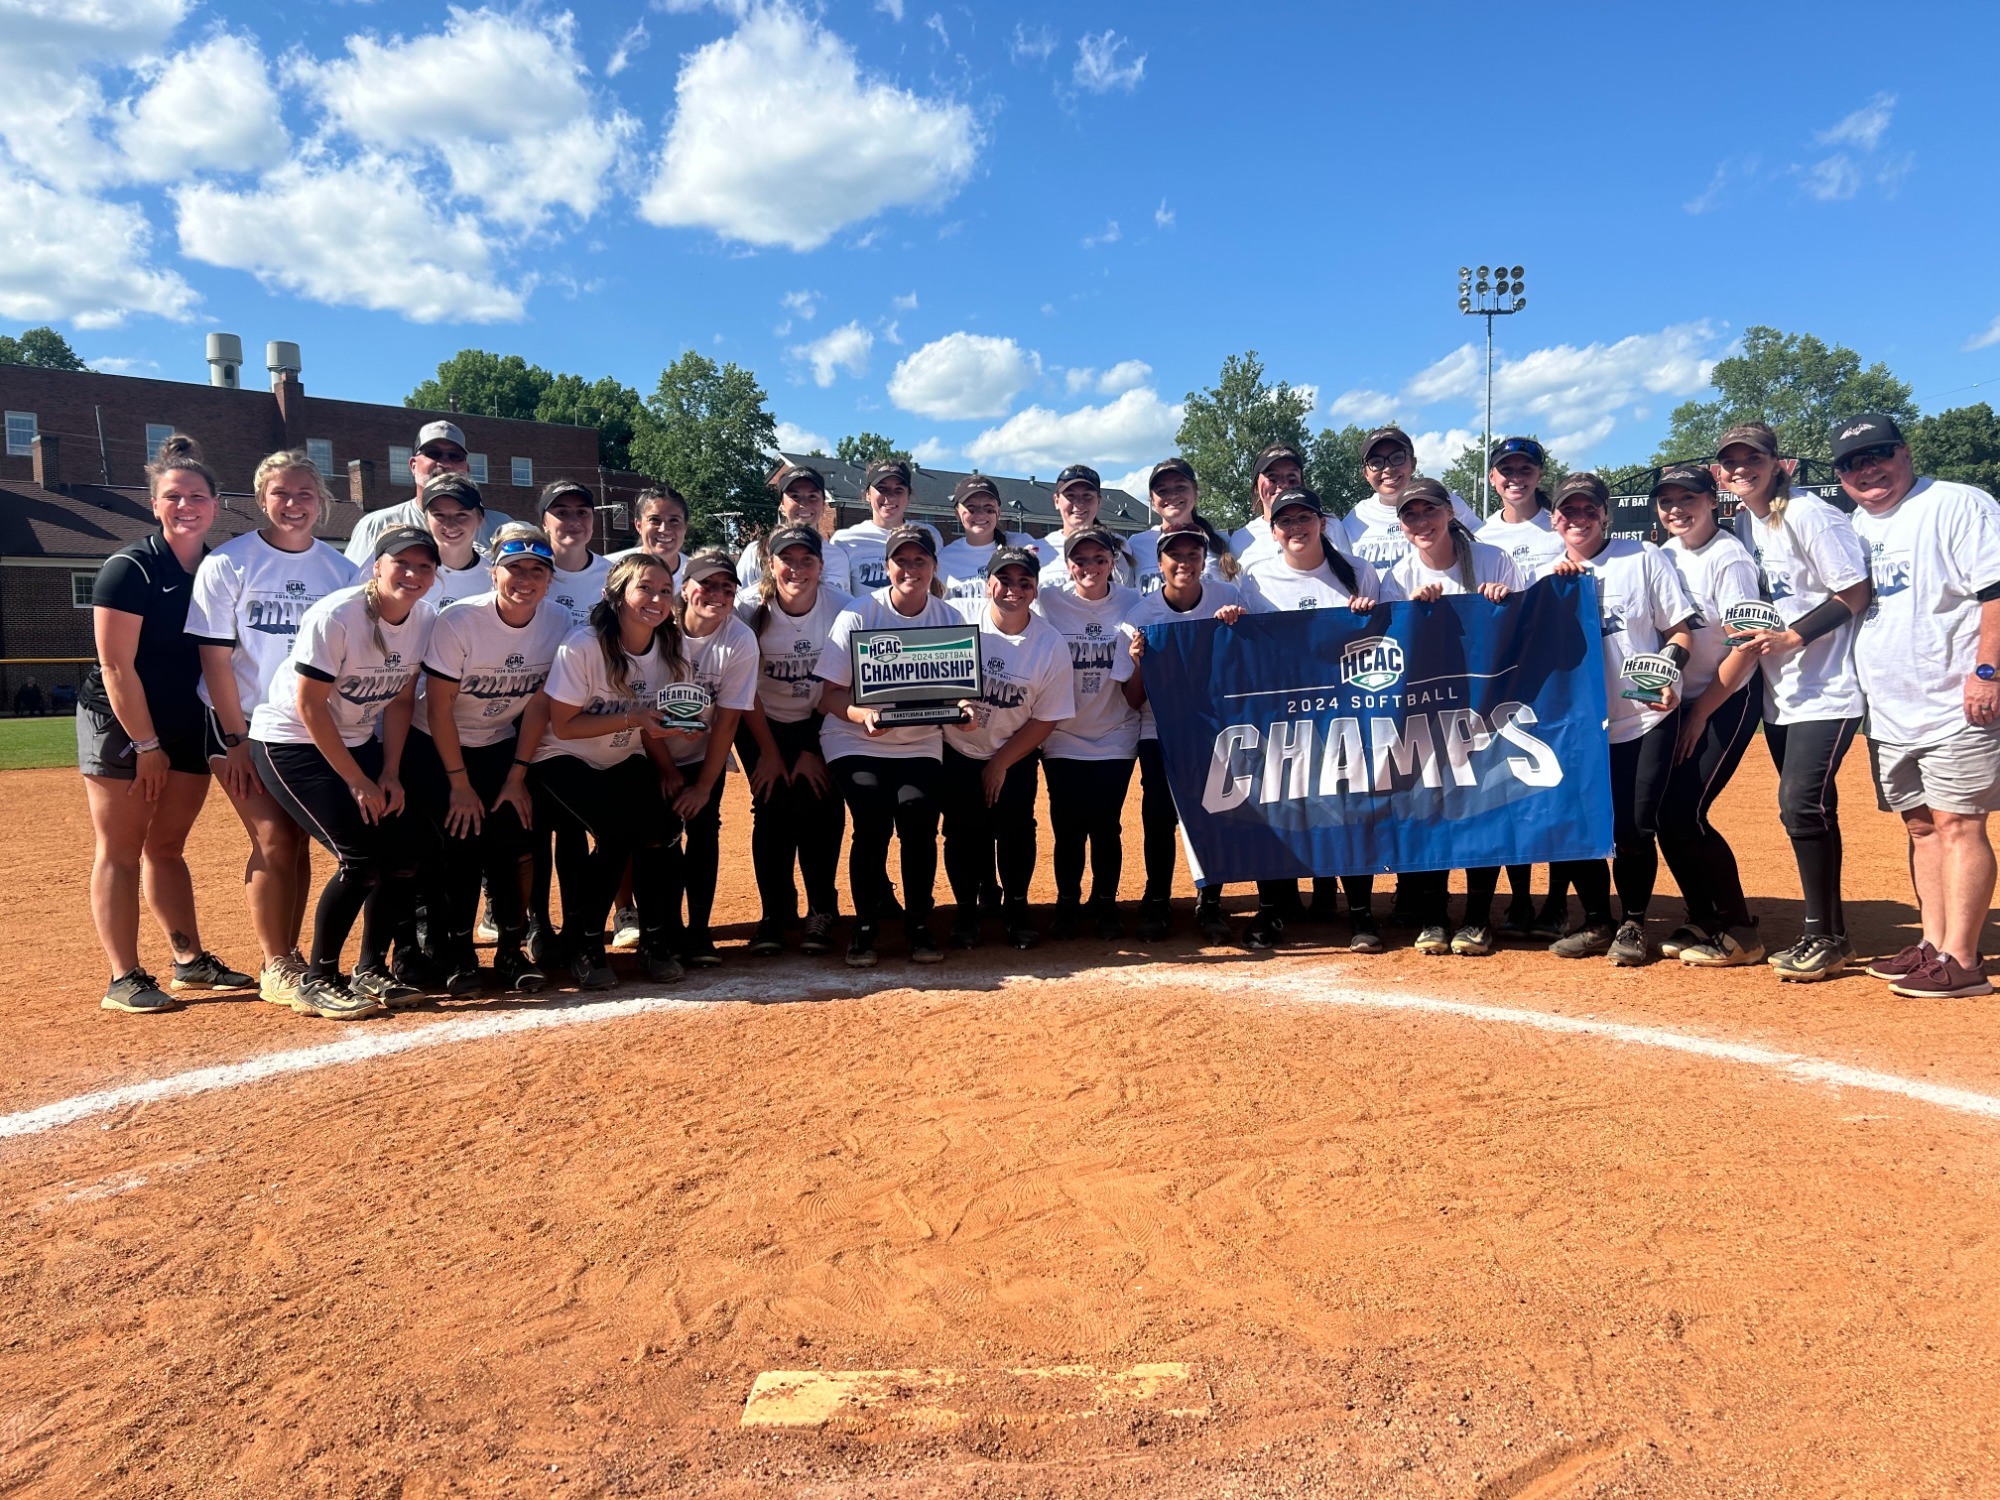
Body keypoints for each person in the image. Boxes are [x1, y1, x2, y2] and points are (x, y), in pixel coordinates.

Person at [79, 434, 254, 1014]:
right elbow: (114, 665)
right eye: (174, 497)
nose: (186, 506)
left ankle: (189, 961)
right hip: (124, 718)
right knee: (121, 848)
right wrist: (145, 743)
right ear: (154, 504)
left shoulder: (219, 568)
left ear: (216, 503)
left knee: (168, 846)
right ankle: (123, 976)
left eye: (197, 496)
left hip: (187, 718)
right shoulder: (130, 568)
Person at [1833, 411, 2000, 999]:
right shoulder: (1853, 526)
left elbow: (1996, 591)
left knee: (1960, 823)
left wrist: (1987, 672)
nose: (1867, 469)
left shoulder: (1957, 504)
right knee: (1922, 825)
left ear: (1905, 452)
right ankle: (1933, 945)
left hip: (1957, 700)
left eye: (1877, 454)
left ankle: (1963, 957)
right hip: (1890, 706)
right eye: (1853, 462)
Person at [187, 448, 356, 1010]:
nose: (293, 504)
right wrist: (234, 741)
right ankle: (275, 962)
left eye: (305, 493)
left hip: (304, 726)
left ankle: (290, 954)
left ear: (322, 502)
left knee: (301, 841)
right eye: (281, 494)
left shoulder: (339, 571)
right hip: (240, 724)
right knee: (274, 838)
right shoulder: (230, 562)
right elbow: (215, 659)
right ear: (262, 500)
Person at [250, 527, 440, 1019]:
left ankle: (371, 967)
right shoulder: (337, 615)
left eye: (424, 566)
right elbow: (309, 706)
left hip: (358, 742)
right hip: (291, 742)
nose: (413, 574)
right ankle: (319, 977)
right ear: (377, 566)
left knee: (404, 849)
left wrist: (391, 773)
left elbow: (400, 701)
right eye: (402, 563)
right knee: (359, 857)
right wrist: (357, 780)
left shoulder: (422, 618)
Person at [1721, 420, 1871, 981]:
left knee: (1800, 805)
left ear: (1777, 463)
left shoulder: (1809, 513)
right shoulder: (1746, 521)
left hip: (1827, 689)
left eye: (1752, 458)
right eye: (1732, 462)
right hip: (1782, 693)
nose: (1742, 468)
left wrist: (1794, 637)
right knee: (1812, 810)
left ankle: (1821, 934)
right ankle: (1832, 933)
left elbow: (1855, 591)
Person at [1538, 473, 1697, 966]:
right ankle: (1595, 921)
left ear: (1605, 514)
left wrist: (1667, 668)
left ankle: (1632, 922)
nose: (1577, 519)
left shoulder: (1642, 557)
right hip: (1581, 727)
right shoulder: (1547, 576)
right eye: (1568, 511)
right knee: (1580, 827)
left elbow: (1680, 630)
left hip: (1642, 717)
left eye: (1589, 510)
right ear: (1554, 519)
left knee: (1632, 828)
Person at [406, 523, 570, 994]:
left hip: (499, 744)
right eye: (514, 568)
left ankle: (511, 951)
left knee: (515, 841)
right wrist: (459, 783)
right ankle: (455, 952)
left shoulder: (557, 622)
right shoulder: (459, 620)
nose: (526, 578)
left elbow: (539, 703)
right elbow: (437, 708)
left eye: (537, 570)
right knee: (459, 842)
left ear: (549, 579)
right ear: (493, 573)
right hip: (436, 746)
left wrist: (517, 775)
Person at [1376, 477, 1527, 957]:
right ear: (1401, 526)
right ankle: (1434, 915)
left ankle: (1479, 917)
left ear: (1450, 513)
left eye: (1430, 511)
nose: (1422, 522)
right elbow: (1386, 647)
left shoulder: (1491, 559)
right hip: (1427, 706)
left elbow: (1526, 624)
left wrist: (1504, 602)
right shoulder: (1396, 576)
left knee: (1483, 807)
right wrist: (1408, 616)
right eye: (1411, 515)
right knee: (1432, 810)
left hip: (1485, 702)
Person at [529, 553, 691, 989]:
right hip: (563, 756)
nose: (656, 598)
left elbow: (652, 724)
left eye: (664, 591)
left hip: (622, 754)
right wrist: (635, 719)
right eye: (645, 588)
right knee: (616, 833)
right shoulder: (583, 645)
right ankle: (585, 946)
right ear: (616, 595)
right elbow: (563, 725)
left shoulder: (669, 648)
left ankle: (656, 943)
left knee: (662, 830)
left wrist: (668, 766)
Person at [1236, 487, 1382, 950]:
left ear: (1322, 522)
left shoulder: (1359, 574)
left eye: (1304, 518)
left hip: (1348, 713)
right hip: (1281, 715)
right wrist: (1230, 619)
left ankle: (1360, 915)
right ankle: (1273, 911)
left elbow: (1391, 636)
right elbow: (1243, 647)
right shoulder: (1256, 579)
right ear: (1273, 530)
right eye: (1285, 521)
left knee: (1350, 810)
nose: (1295, 528)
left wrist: (1372, 618)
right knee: (1277, 810)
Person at [817, 523, 965, 966]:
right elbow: (828, 696)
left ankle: (918, 924)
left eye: (920, 560)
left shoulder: (948, 618)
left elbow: (958, 691)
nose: (910, 568)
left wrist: (964, 708)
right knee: (874, 817)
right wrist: (864, 716)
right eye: (901, 560)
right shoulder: (860, 615)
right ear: (887, 567)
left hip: (918, 741)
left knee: (919, 817)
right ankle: (864, 926)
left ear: (934, 567)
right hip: (854, 738)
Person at [1650, 464, 1766, 967]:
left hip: (1726, 698)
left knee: (1685, 811)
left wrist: (1700, 714)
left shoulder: (1729, 558)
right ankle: (1704, 916)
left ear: (1711, 501)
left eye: (1688, 498)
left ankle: (1740, 928)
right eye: (1667, 501)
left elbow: (1747, 647)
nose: (1677, 508)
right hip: (1679, 702)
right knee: (1662, 814)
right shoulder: (1663, 555)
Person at [941, 545, 1074, 949]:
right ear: (988, 585)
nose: (1013, 589)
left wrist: (1000, 763)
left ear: (1035, 591)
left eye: (1024, 582)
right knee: (963, 832)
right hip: (956, 749)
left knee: (1015, 830)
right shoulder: (962, 621)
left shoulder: (1048, 643)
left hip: (1014, 750)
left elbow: (1047, 717)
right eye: (1004, 580)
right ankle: (969, 910)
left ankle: (1016, 907)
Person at [1123, 522, 1246, 942]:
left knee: (1211, 814)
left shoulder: (1226, 598)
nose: (1185, 563)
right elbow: (1130, 698)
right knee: (1158, 818)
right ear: (1159, 565)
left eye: (1194, 555)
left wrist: (1237, 626)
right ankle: (1156, 900)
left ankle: (1209, 901)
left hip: (1213, 730)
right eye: (1175, 556)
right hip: (1161, 731)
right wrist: (1140, 662)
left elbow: (1248, 659)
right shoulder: (1140, 615)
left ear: (1203, 561)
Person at [735, 523, 852, 957]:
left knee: (820, 804)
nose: (797, 569)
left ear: (821, 566)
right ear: (770, 563)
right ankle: (775, 912)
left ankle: (822, 907)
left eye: (808, 560)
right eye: (788, 559)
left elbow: (846, 685)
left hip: (824, 723)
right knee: (771, 807)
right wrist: (769, 753)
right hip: (761, 722)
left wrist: (809, 749)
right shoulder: (748, 609)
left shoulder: (842, 607)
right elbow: (740, 689)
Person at [1475, 436, 1568, 937]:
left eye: (1525, 467)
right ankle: (1519, 900)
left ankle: (1556, 901)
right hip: (1505, 673)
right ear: (1492, 478)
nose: (1515, 477)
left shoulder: (1559, 527)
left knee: (1553, 786)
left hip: (1556, 670)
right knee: (1511, 784)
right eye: (1505, 469)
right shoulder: (1481, 535)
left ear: (1538, 474)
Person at [1037, 526, 1143, 938]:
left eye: (1100, 559)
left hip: (1116, 732)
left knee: (1105, 824)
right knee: (1066, 824)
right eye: (1080, 560)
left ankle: (1105, 904)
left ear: (1112, 563)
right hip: (1062, 733)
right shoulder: (1050, 600)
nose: (1090, 567)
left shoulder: (1132, 603)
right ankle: (1066, 904)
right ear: (1068, 565)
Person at [525, 479, 614, 962]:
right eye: (561, 512)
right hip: (528, 722)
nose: (573, 521)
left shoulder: (612, 572)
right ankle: (538, 924)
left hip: (589, 723)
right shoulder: (529, 569)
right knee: (537, 830)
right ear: (545, 521)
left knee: (576, 832)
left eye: (583, 511)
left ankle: (581, 922)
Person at [665, 551, 763, 967]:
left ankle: (699, 930)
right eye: (707, 584)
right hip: (648, 750)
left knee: (704, 830)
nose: (717, 594)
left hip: (704, 751)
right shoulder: (659, 632)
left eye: (727, 587)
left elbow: (727, 721)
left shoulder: (739, 639)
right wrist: (666, 770)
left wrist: (704, 785)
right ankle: (665, 930)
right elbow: (635, 704)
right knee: (660, 836)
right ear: (685, 590)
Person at [345, 420, 510, 563]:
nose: (445, 462)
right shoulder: (377, 525)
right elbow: (352, 588)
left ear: (466, 469)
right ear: (413, 465)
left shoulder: (501, 527)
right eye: (433, 454)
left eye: (455, 456)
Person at [1127, 457, 1237, 594]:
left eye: (1181, 487)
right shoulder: (1136, 545)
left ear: (1195, 493)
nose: (1172, 495)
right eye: (1162, 490)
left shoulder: (1224, 542)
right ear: (1152, 501)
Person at [833, 459, 943, 593]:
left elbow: (938, 589)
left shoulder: (928, 535)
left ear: (908, 495)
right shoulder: (845, 541)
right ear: (868, 494)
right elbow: (839, 597)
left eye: (899, 489)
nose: (890, 496)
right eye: (882, 488)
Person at [741, 465, 853, 594]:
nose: (804, 503)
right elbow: (738, 606)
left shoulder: (839, 557)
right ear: (782, 505)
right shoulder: (755, 552)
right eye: (795, 496)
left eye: (812, 496)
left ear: (823, 504)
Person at [938, 475, 1044, 600]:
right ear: (957, 513)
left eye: (988, 508)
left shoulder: (1022, 544)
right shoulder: (944, 559)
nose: (981, 514)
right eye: (971, 508)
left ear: (998, 512)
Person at [1037, 465, 1136, 592]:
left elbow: (1127, 597)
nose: (1079, 503)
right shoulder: (1041, 549)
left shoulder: (1119, 546)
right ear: (1056, 501)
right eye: (1070, 496)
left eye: (1087, 495)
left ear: (1099, 501)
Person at [420, 473, 492, 610]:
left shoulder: (494, 578)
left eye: (461, 515)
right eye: (439, 515)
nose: (451, 525)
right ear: (427, 521)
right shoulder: (409, 573)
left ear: (480, 519)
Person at [1230, 443, 1310, 563]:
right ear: (1256, 487)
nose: (1283, 484)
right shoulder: (1240, 540)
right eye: (1272, 477)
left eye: (1291, 476)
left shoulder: (1329, 526)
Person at [609, 485, 691, 592]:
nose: (664, 529)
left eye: (674, 520)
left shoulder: (699, 576)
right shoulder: (610, 569)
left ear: (685, 527)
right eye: (654, 519)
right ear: (638, 525)